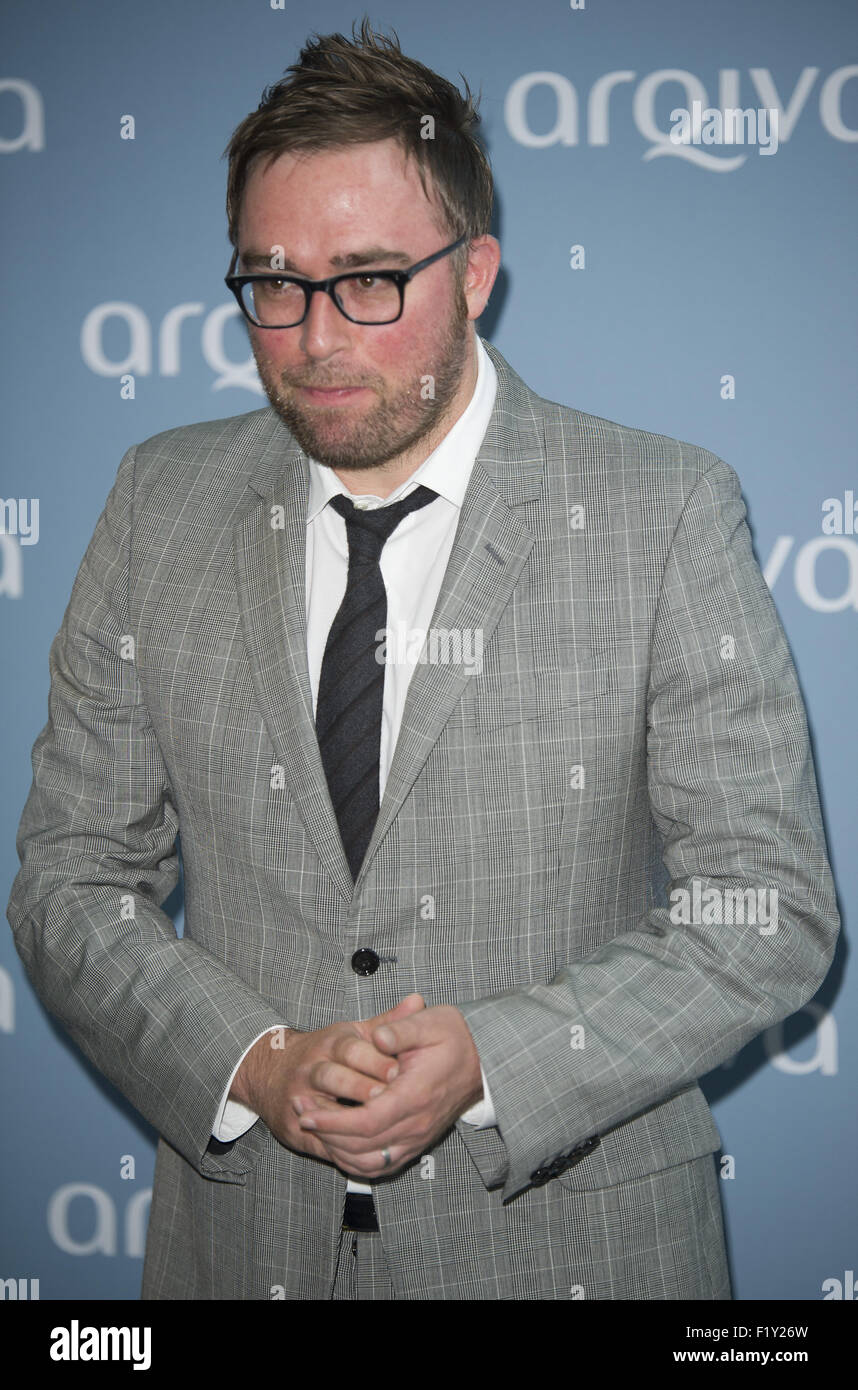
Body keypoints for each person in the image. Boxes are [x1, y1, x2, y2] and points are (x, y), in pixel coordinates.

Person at [7, 20, 839, 1301]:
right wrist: (253, 1061)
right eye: (273, 282)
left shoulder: (661, 510)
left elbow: (768, 906)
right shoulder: (154, 502)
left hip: (579, 1253)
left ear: (480, 271)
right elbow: (72, 876)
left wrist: (500, 1059)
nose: (318, 335)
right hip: (240, 1253)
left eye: (373, 278)